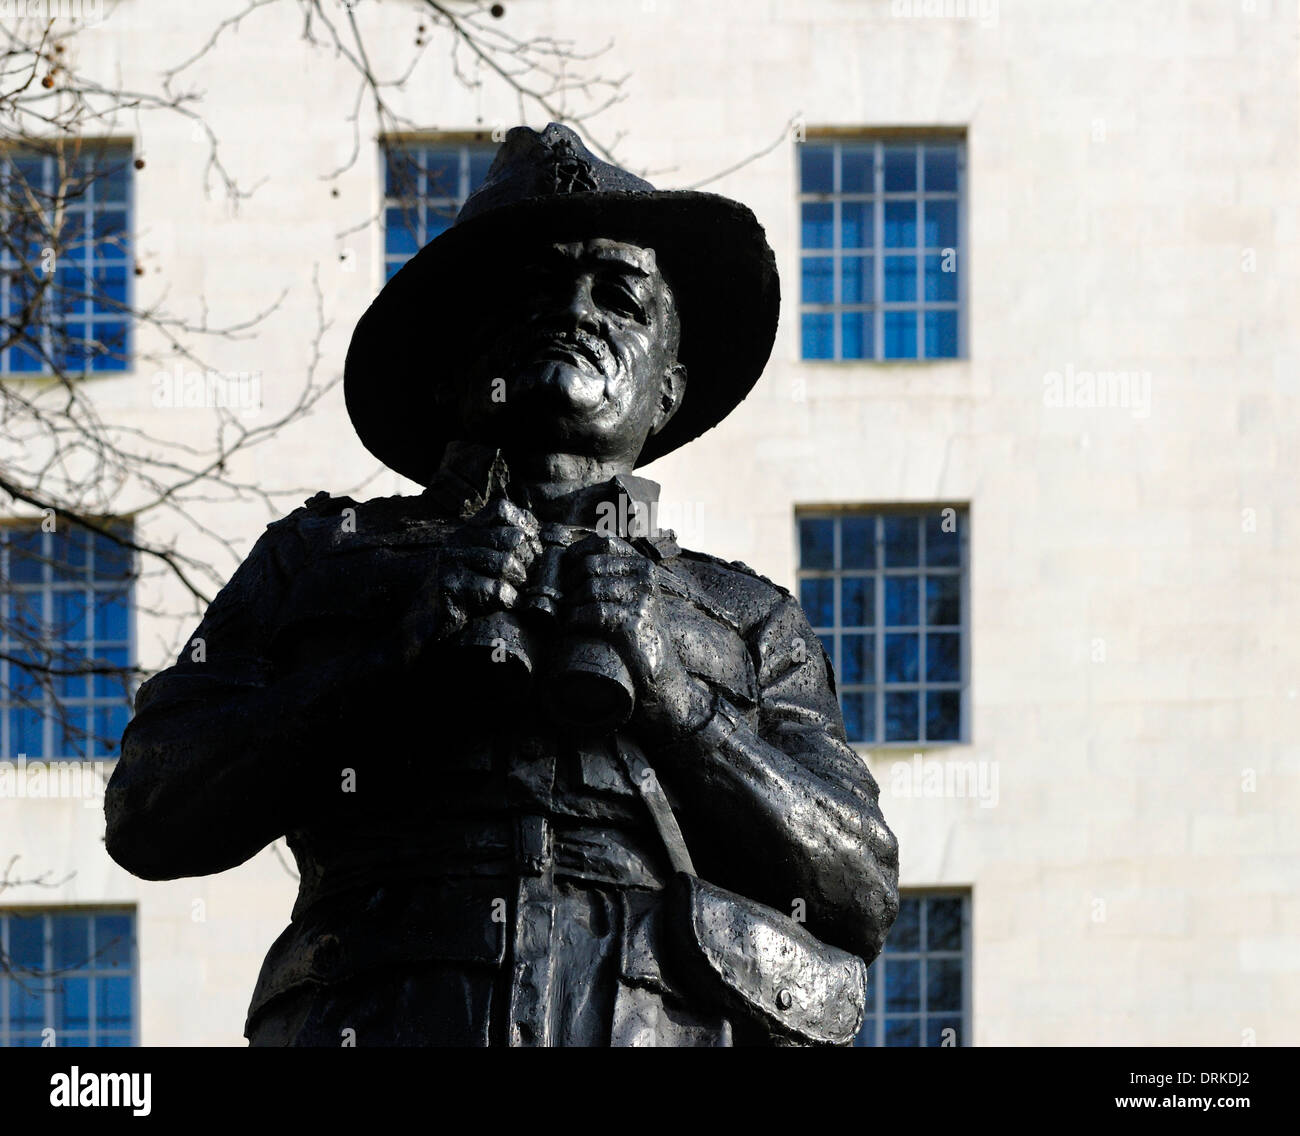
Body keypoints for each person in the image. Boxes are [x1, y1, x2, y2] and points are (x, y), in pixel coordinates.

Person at [105, 123, 899, 1046]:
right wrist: (384, 662)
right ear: (450, 367)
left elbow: (859, 888)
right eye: (532, 286)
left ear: (669, 389)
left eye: (620, 295)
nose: (574, 310)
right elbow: (150, 813)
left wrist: (678, 703)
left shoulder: (750, 618)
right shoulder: (321, 556)